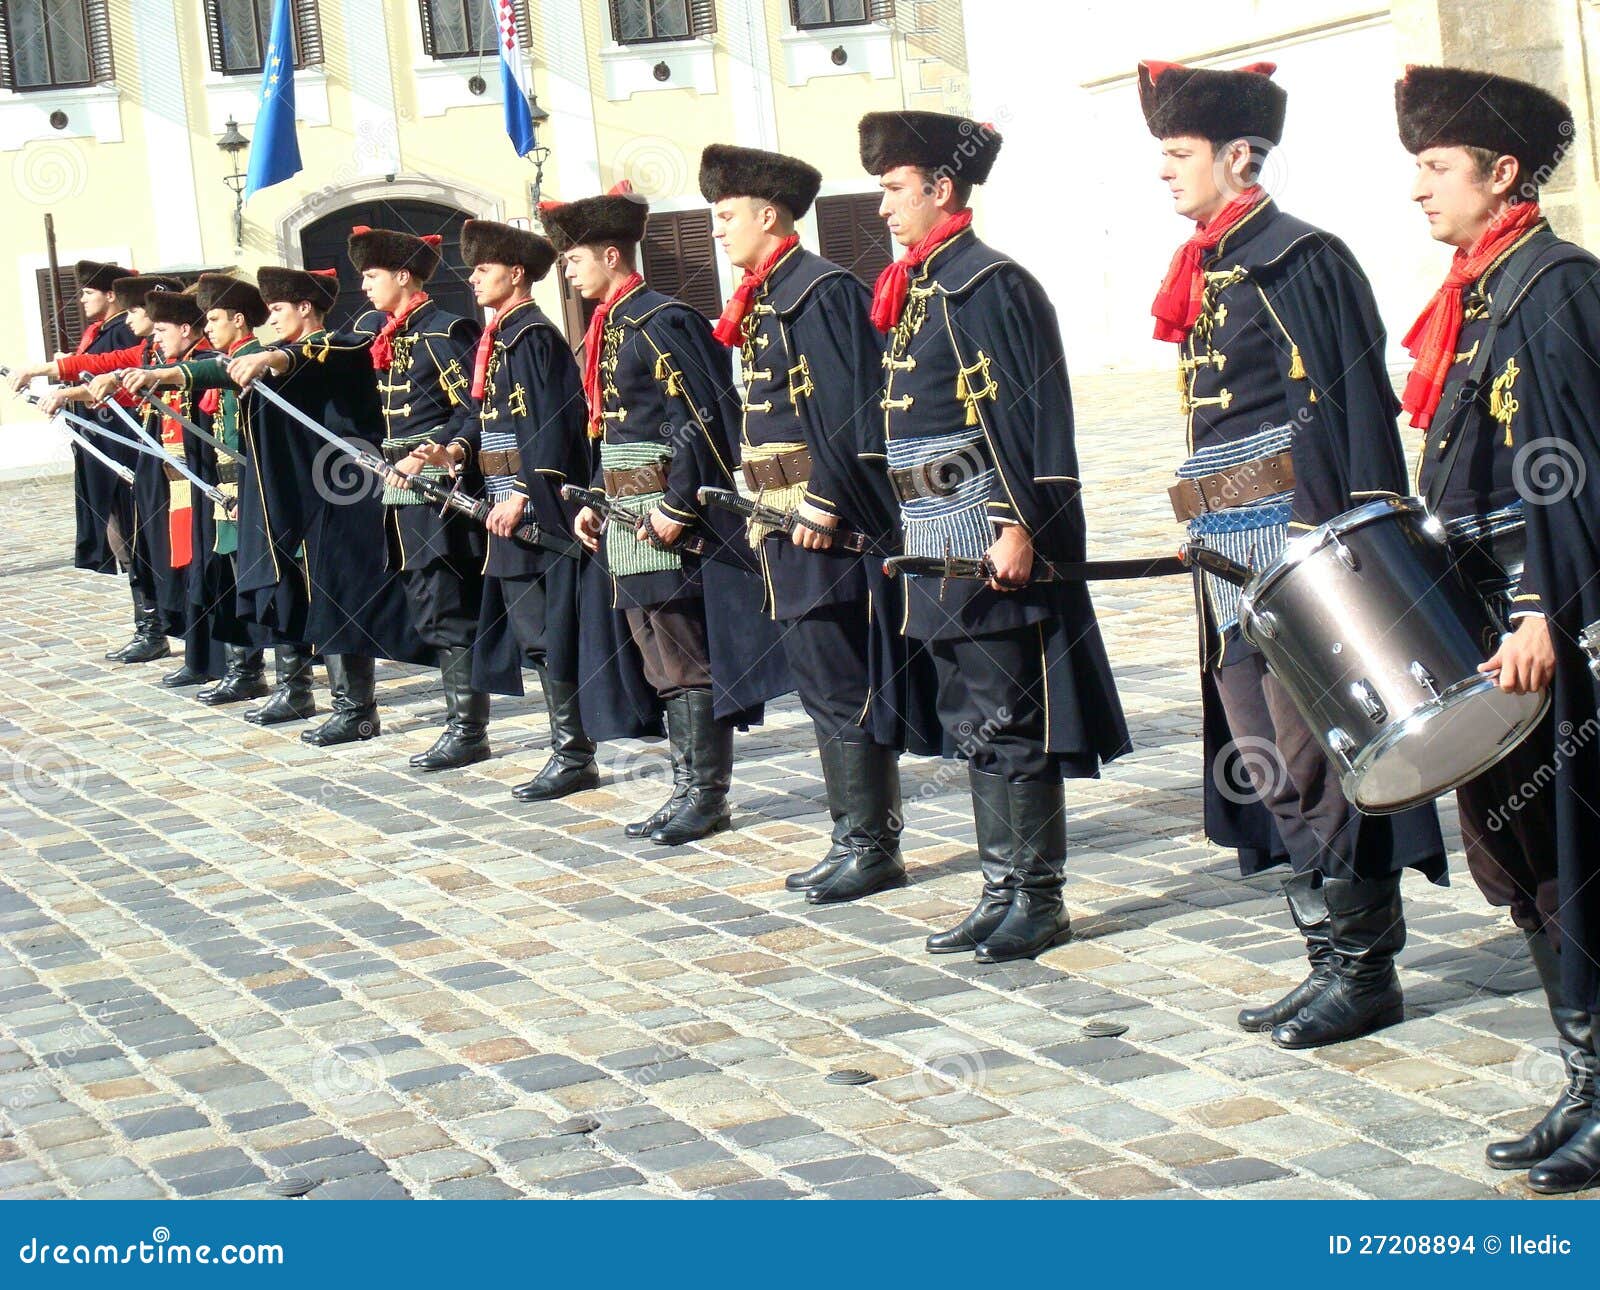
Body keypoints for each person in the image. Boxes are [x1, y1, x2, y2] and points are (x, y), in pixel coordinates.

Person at [1139, 59, 1446, 1043]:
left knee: (1321, 758)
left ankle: (1365, 973)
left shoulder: (1300, 258)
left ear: (1236, 156)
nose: (1164, 172)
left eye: (1176, 154)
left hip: (1303, 549)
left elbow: (1356, 414)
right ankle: (1322, 958)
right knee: (1265, 760)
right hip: (1225, 549)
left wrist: (1366, 551)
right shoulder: (1213, 262)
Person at [859, 109, 1130, 962]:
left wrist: (1021, 525)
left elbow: (1035, 415)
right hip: (930, 535)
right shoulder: (924, 285)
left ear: (942, 188)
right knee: (970, 715)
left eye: (896, 189)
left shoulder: (989, 283)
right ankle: (998, 887)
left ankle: (1038, 896)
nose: (883, 208)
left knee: (1012, 718)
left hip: (984, 532)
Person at [1396, 63, 1600, 1194]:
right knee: (1519, 856)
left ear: (1500, 173)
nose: (1418, 190)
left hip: (1538, 626)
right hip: (1478, 623)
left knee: (1577, 856)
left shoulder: (1555, 288)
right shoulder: (1485, 285)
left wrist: (1541, 612)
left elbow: (1577, 477)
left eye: (1435, 168)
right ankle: (1584, 1080)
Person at [699, 142, 939, 903]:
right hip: (777, 518)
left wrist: (827, 499)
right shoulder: (769, 294)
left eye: (728, 215)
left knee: (841, 680)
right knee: (815, 681)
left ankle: (872, 845)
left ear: (769, 215)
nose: (719, 230)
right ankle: (850, 835)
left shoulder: (819, 289)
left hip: (817, 521)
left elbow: (852, 406)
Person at [545, 184, 790, 845]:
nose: (567, 270)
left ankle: (705, 797)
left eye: (574, 259)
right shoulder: (612, 324)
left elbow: (707, 418)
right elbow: (615, 429)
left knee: (685, 655)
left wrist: (680, 507)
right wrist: (594, 498)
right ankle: (684, 787)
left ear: (611, 254)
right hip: (625, 514)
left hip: (666, 516)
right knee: (656, 653)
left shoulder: (663, 320)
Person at [401, 219, 598, 800]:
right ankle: (566, 748)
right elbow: (487, 423)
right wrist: (453, 449)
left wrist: (521, 497)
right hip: (502, 507)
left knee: (548, 631)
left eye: (483, 270)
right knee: (532, 633)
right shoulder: (502, 337)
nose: (474, 279)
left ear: (516, 275)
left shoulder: (532, 337)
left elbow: (551, 431)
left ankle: (574, 754)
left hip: (532, 513)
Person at [225, 266, 431, 745]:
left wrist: (274, 357)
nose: (271, 320)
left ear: (304, 308)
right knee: (319, 591)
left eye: (278, 310)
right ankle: (325, 698)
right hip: (311, 495)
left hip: (349, 489)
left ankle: (356, 710)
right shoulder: (285, 358)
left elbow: (325, 353)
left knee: (344, 595)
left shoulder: (344, 343)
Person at [348, 225, 489, 771]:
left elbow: (474, 409)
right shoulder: (391, 334)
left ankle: (467, 730)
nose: (364, 287)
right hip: (397, 491)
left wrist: (443, 449)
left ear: (403, 277)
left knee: (448, 608)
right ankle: (460, 722)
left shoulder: (443, 331)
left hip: (437, 493)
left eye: (372, 276)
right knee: (427, 607)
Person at [121, 273, 272, 705]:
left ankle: (264, 674)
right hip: (224, 492)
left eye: (215, 318)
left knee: (253, 583)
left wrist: (162, 375)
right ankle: (240, 669)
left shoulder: (249, 358)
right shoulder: (225, 359)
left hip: (244, 491)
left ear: (239, 320)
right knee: (223, 577)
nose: (208, 327)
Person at [7, 262, 151, 660]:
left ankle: (152, 625)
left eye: (89, 292)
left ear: (110, 296)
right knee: (117, 530)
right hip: (99, 445)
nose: (83, 298)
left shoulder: (122, 331)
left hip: (121, 446)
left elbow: (111, 374)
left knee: (134, 532)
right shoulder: (98, 332)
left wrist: (65, 388)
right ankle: (146, 621)